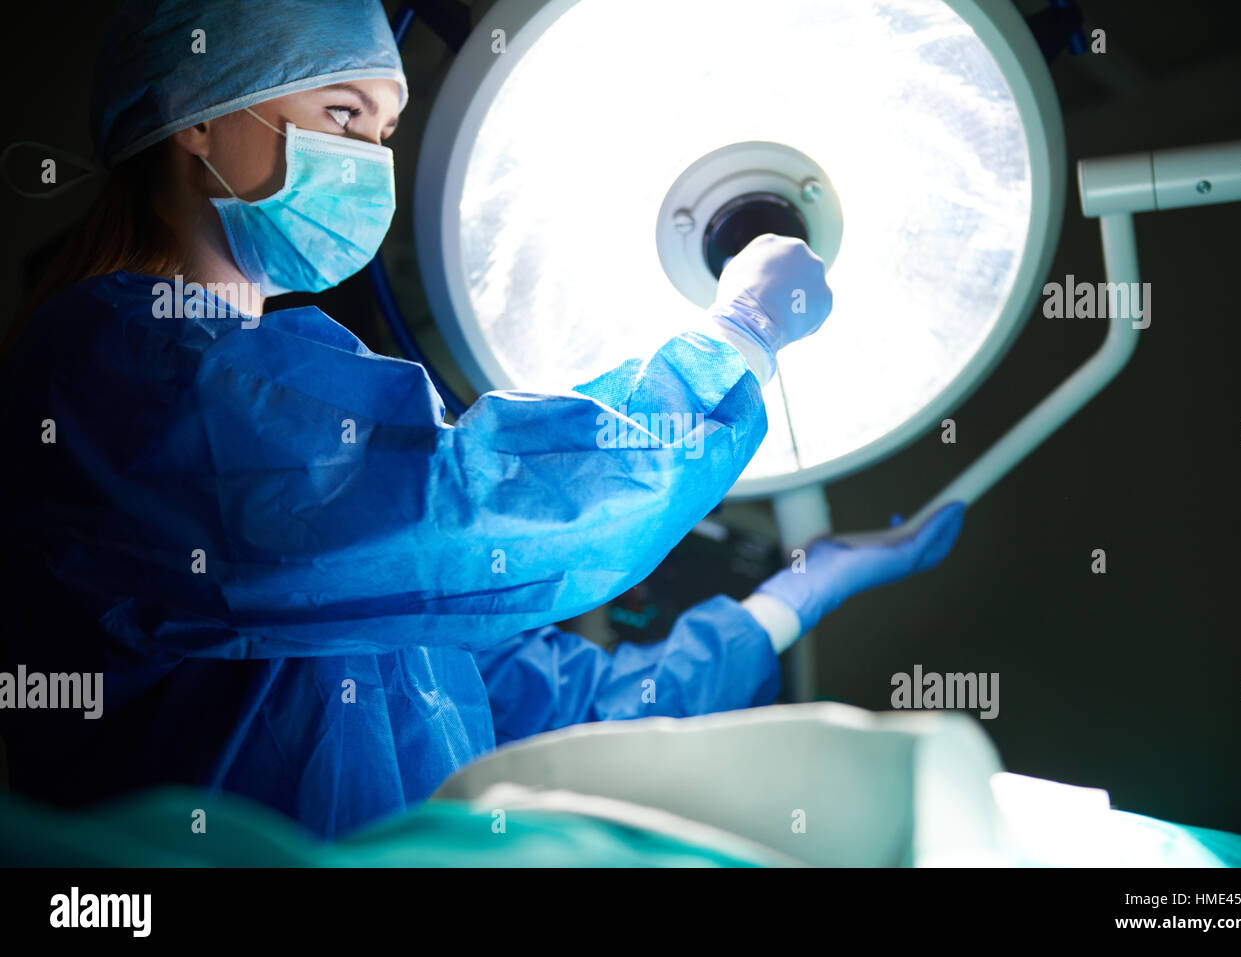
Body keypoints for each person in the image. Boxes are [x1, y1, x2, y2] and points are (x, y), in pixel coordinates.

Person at [0, 0, 963, 839]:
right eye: (341, 115)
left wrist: (791, 601)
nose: (367, 164)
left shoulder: (316, 415)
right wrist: (734, 344)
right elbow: (466, 506)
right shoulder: (114, 373)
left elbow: (552, 707)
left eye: (380, 134)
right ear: (193, 116)